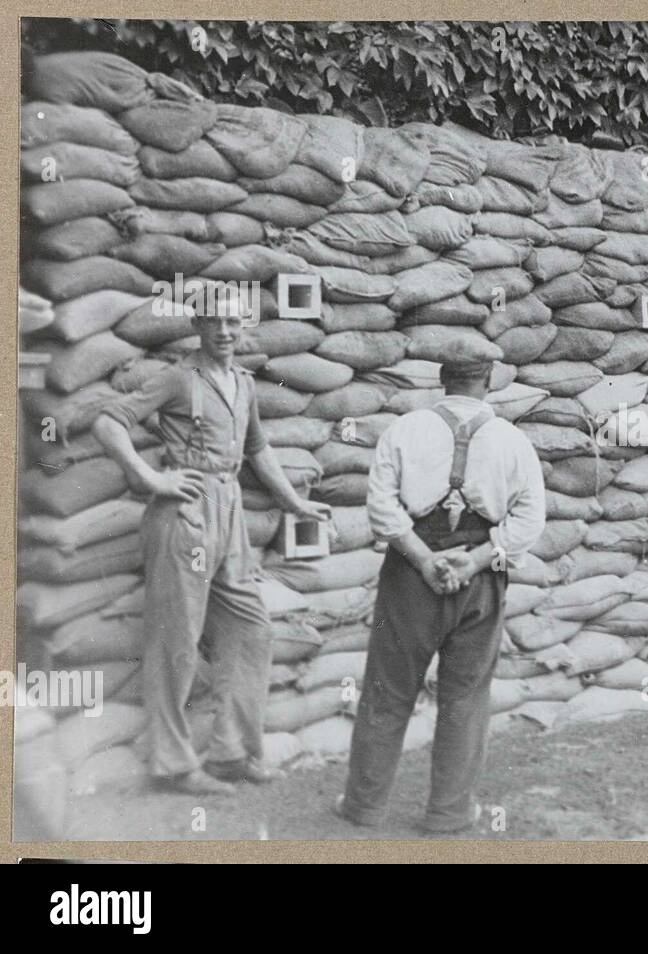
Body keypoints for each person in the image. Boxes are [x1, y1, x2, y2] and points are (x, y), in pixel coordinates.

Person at [92, 294, 331, 795]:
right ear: (198, 325)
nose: (224, 330)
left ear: (243, 327)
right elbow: (108, 421)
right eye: (213, 321)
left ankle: (232, 753)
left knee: (252, 630)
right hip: (185, 516)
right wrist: (150, 478)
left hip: (232, 514)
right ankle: (174, 765)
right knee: (177, 639)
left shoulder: (243, 382)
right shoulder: (178, 377)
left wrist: (295, 504)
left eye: (232, 321)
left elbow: (258, 451)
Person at [336, 356, 546, 833]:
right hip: (480, 577)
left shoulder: (404, 430)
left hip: (411, 574)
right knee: (466, 696)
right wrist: (473, 561)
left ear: (442, 380)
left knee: (388, 691)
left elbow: (381, 508)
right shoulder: (514, 441)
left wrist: (426, 560)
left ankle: (364, 806)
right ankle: (448, 813)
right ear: (489, 383)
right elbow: (530, 522)